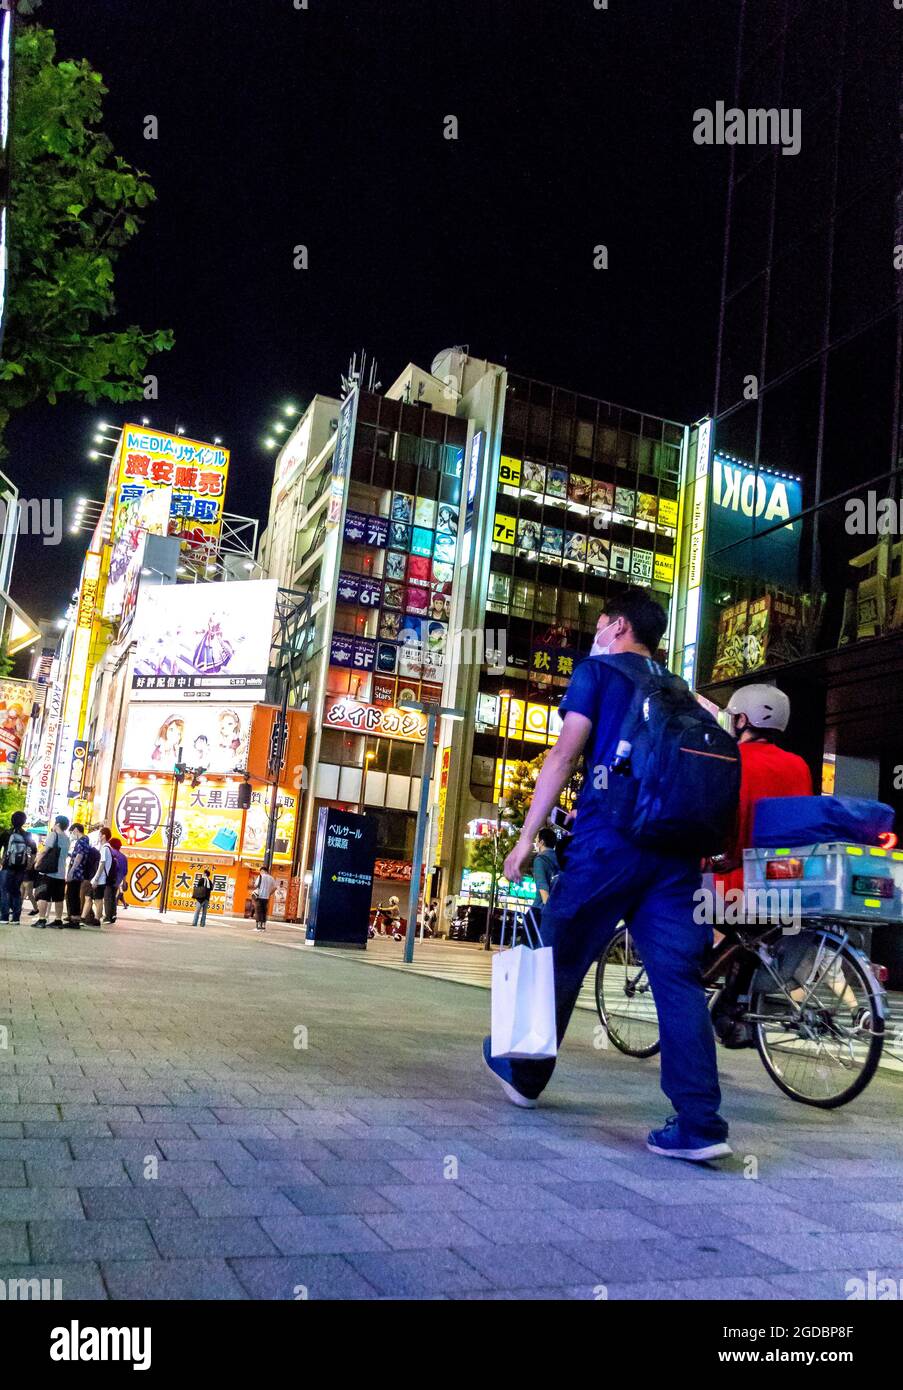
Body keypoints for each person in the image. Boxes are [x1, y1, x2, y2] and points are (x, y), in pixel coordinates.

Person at [484, 588, 732, 1162]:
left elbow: (564, 755)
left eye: (600, 624)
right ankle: (700, 1124)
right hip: (674, 854)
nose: (595, 632)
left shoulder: (597, 673)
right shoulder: (682, 691)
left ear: (618, 626)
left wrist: (526, 837)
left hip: (608, 845)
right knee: (677, 979)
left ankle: (523, 1074)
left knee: (557, 952)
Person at [714, 685, 813, 894]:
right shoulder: (799, 765)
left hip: (733, 884)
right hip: (786, 884)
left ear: (742, 720)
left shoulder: (729, 759)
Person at [34, 815, 71, 929]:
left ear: (58, 824)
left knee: (42, 895)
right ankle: (58, 920)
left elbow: (45, 850)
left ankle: (41, 919)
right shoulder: (67, 838)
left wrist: (37, 862)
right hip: (60, 873)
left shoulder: (53, 835)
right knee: (58, 898)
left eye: (55, 823)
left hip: (48, 872)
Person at [0, 811, 36, 924]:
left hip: (7, 866)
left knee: (4, 891)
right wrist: (29, 864)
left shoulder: (6, 833)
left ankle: (4, 917)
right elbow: (34, 851)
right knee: (16, 891)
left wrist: (1, 861)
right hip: (21, 868)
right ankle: (16, 918)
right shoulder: (27, 835)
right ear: (24, 822)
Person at [83, 827, 113, 927]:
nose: (99, 836)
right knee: (88, 897)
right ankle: (83, 918)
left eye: (100, 834)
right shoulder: (106, 848)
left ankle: (96, 919)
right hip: (98, 879)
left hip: (100, 879)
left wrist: (96, 879)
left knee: (98, 900)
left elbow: (102, 864)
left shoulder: (105, 848)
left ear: (103, 836)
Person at [63, 823, 90, 926]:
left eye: (72, 831)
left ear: (76, 830)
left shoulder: (82, 841)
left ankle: (74, 918)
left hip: (77, 872)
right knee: (72, 893)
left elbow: (79, 856)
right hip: (79, 871)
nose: (71, 834)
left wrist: (71, 870)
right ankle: (73, 917)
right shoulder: (85, 840)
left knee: (72, 894)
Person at [530, 827, 560, 912]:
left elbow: (543, 887)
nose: (536, 842)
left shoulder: (540, 860)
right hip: (557, 905)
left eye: (537, 840)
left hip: (541, 908)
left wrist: (550, 913)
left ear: (541, 842)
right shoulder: (559, 858)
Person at [106, 838, 129, 923]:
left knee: (108, 898)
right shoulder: (123, 857)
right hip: (118, 881)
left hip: (109, 879)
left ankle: (108, 917)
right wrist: (123, 882)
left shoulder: (111, 853)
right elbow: (125, 871)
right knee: (113, 898)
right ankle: (113, 915)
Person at [252, 863, 276, 931]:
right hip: (266, 898)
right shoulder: (271, 878)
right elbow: (275, 888)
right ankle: (263, 925)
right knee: (264, 911)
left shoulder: (260, 876)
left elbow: (256, 885)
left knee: (258, 911)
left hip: (259, 897)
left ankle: (258, 926)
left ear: (262, 871)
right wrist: (269, 893)